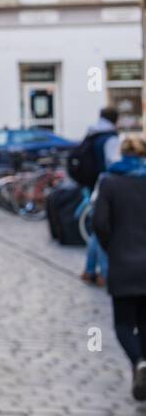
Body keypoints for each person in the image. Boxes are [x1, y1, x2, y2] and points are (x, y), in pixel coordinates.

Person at [91, 135, 146, 400]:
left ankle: (139, 362)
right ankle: (143, 364)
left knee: (123, 323)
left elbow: (99, 223)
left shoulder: (110, 182)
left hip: (123, 261)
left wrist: (111, 246)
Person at [80, 107, 122, 287]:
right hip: (106, 186)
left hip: (93, 184)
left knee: (98, 227)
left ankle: (90, 270)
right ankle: (104, 274)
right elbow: (114, 163)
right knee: (103, 228)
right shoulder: (110, 138)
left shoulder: (93, 132)